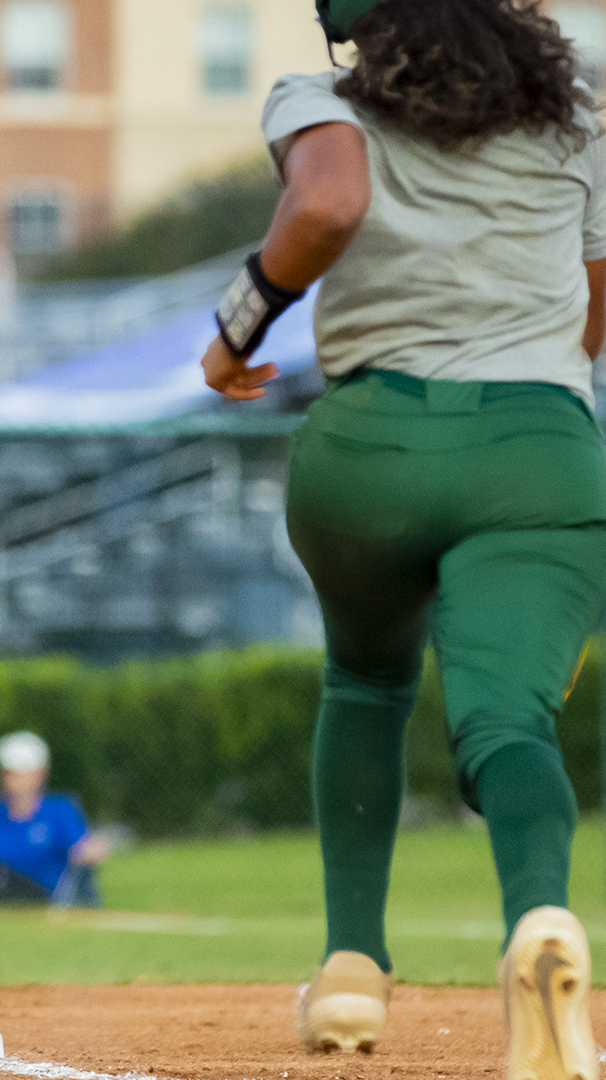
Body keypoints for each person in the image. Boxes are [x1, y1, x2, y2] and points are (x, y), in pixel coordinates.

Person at [198, 0, 606, 1069]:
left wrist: (238, 328)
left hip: (368, 448)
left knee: (367, 685)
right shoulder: (575, 121)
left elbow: (327, 203)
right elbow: (594, 306)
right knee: (508, 722)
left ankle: (350, 973)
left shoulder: (324, 100)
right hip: (537, 446)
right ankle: (542, 922)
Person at [0, 732, 106, 910]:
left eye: (20, 773)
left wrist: (90, 850)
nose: (12, 780)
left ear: (40, 774)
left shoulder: (59, 811)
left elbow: (82, 849)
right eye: (8, 773)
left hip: (40, 891)